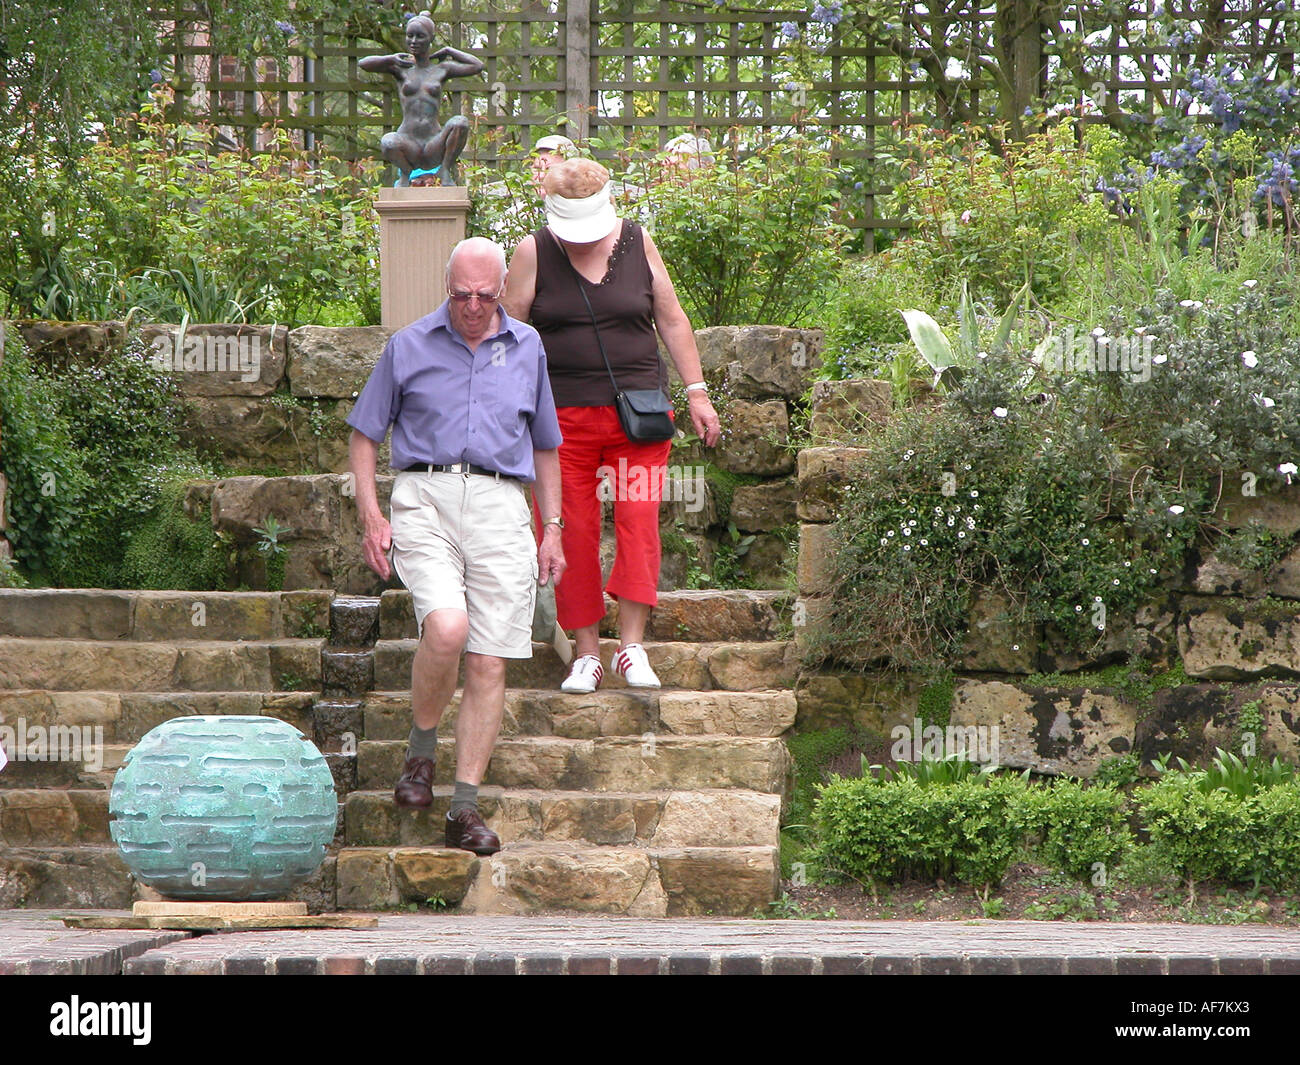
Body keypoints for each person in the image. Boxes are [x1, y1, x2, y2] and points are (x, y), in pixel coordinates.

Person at [347, 237, 565, 855]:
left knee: (489, 659)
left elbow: (546, 444)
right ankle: (420, 754)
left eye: (485, 296)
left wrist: (553, 528)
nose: (472, 306)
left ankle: (463, 809)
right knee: (446, 628)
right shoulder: (409, 344)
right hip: (427, 495)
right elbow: (365, 433)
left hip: (502, 504)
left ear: (503, 290)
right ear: (448, 287)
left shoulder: (529, 349)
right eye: (460, 294)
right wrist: (370, 513)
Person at [502, 158, 721, 694]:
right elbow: (505, 335)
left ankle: (631, 647)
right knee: (567, 530)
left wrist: (697, 392)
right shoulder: (533, 251)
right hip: (559, 427)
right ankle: (585, 654)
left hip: (638, 420)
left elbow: (670, 317)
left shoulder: (637, 242)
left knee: (639, 521)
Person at [359, 12, 484, 186]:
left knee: (460, 122)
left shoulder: (442, 69)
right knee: (387, 141)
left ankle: (445, 169)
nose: (414, 41)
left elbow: (477, 66)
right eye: (410, 36)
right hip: (408, 143)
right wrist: (389, 57)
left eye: (420, 36)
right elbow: (364, 64)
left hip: (433, 143)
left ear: (431, 38)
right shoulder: (400, 68)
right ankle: (406, 172)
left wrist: (449, 50)